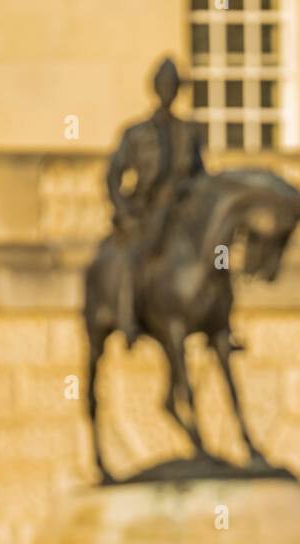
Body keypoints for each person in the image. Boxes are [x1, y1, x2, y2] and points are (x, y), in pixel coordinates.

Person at [106, 57, 205, 346]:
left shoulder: (189, 132)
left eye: (173, 86)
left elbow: (201, 175)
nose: (168, 91)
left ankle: (220, 322)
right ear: (155, 88)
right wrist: (123, 211)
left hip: (180, 213)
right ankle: (129, 317)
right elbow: (113, 174)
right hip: (146, 213)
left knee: (216, 255)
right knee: (135, 256)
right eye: (164, 85)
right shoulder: (136, 133)